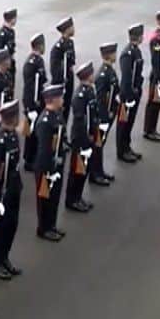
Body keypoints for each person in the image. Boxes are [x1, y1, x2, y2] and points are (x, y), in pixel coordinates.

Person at [0, 100, 24, 280]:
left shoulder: (11, 136)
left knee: (11, 226)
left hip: (13, 189)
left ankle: (4, 257)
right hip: (1, 194)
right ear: (13, 118)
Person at [33, 84, 67, 241]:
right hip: (46, 167)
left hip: (56, 163)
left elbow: (60, 137)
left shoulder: (57, 114)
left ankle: (51, 225)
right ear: (52, 100)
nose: (62, 99)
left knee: (54, 197)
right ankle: (43, 228)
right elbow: (44, 150)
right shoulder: (45, 121)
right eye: (60, 97)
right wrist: (49, 170)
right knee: (45, 199)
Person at [65, 62, 97, 213]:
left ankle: (78, 197)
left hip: (88, 137)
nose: (93, 75)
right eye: (91, 73)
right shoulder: (80, 95)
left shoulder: (89, 91)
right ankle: (72, 199)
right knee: (77, 171)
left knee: (83, 170)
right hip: (81, 139)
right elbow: (80, 121)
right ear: (87, 76)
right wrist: (85, 140)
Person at [90, 43, 118, 186]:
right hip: (103, 116)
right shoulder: (103, 74)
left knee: (101, 144)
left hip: (109, 114)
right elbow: (100, 99)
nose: (115, 55)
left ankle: (99, 171)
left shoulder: (109, 70)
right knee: (98, 145)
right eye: (114, 53)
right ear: (108, 55)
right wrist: (103, 117)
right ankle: (95, 174)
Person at [117, 25, 145, 163]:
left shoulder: (136, 51)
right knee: (123, 124)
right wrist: (129, 94)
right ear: (138, 36)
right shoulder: (127, 54)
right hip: (128, 94)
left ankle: (127, 147)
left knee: (130, 122)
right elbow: (127, 76)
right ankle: (121, 151)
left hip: (134, 92)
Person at [143, 11, 160, 142]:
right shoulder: (158, 39)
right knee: (154, 104)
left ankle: (151, 129)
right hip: (158, 78)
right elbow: (157, 61)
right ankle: (149, 131)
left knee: (156, 104)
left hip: (159, 76)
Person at [22, 33, 48, 171]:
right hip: (34, 102)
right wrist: (32, 105)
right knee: (31, 133)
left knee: (30, 131)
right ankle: (29, 159)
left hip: (32, 101)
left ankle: (29, 157)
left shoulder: (33, 60)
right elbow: (34, 85)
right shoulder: (36, 62)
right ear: (40, 46)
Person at [49, 17, 76, 124]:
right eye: (72, 27)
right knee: (60, 110)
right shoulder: (58, 48)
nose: (74, 29)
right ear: (67, 29)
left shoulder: (70, 43)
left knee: (67, 107)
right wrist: (61, 83)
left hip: (69, 80)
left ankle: (63, 132)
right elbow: (55, 69)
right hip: (62, 83)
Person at [0, 8, 17, 97]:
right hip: (4, 67)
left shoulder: (11, 32)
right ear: (13, 19)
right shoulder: (0, 35)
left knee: (10, 91)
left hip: (10, 65)